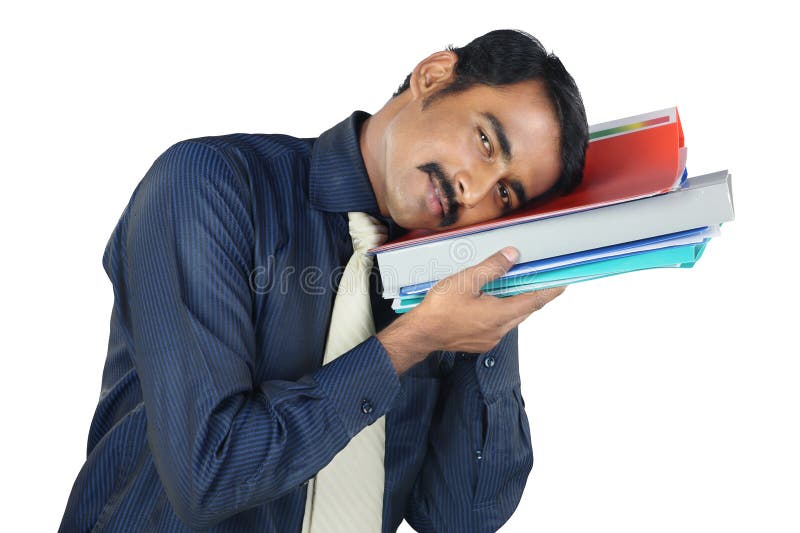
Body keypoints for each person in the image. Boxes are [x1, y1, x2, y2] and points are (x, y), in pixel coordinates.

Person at [59, 29, 588, 532]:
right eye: (485, 142)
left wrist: (500, 297)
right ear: (434, 75)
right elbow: (208, 476)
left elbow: (458, 517)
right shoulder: (208, 185)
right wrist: (411, 341)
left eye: (505, 196)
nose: (473, 191)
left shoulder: (444, 285)